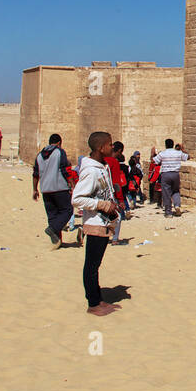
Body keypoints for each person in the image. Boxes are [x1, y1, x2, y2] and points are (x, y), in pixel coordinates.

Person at [71, 131, 122, 316]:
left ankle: (98, 299)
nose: (112, 147)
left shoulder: (102, 166)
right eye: (109, 144)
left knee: (96, 264)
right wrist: (101, 204)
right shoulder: (91, 171)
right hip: (94, 223)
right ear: (101, 148)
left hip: (103, 222)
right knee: (91, 265)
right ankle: (93, 303)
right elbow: (77, 199)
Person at [32, 133, 75, 248]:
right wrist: (72, 184)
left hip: (45, 189)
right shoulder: (59, 152)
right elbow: (65, 170)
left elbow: (35, 174)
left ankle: (56, 242)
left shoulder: (39, 155)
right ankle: (52, 229)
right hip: (59, 188)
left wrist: (34, 189)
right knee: (68, 210)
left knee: (53, 215)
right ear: (59, 143)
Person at [155, 138, 186, 216]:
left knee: (166, 193)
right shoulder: (178, 153)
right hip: (175, 174)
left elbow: (154, 161)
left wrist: (153, 154)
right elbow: (187, 157)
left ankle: (168, 212)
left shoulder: (162, 153)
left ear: (166, 145)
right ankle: (177, 205)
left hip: (165, 174)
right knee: (175, 190)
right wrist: (183, 149)